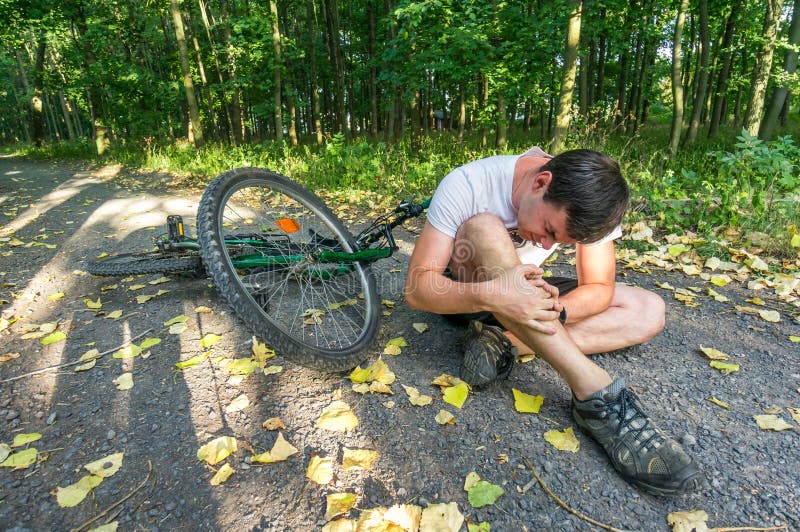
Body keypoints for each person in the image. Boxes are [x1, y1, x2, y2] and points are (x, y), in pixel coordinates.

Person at [404, 146, 702, 496]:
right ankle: (594, 391)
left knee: (649, 308)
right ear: (540, 182)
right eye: (548, 229)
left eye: (559, 241)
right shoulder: (469, 183)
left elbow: (599, 287)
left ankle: (503, 342)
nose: (545, 243)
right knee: (483, 226)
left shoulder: (595, 200)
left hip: (529, 291)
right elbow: (417, 288)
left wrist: (555, 310)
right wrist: (497, 295)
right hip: (471, 293)